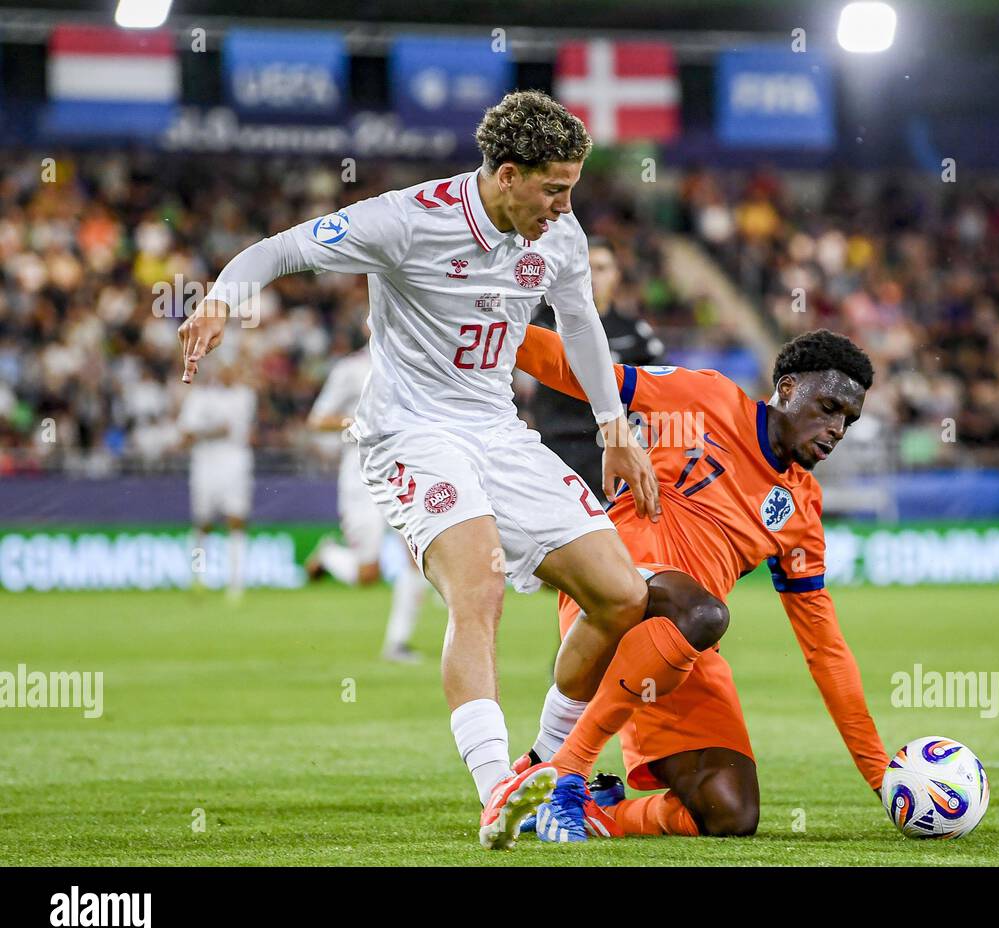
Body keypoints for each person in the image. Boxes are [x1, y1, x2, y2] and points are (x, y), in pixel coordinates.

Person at [177, 90, 662, 850]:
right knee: (480, 585)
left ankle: (542, 761)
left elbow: (579, 321)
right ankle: (496, 785)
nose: (566, 204)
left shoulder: (558, 236)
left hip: (497, 430)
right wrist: (220, 297)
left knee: (621, 594)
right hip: (410, 433)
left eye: (572, 187)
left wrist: (614, 427)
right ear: (506, 174)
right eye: (553, 187)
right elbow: (278, 250)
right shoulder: (405, 219)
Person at [510, 324, 888, 842]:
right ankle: (566, 771)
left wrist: (880, 778)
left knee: (731, 815)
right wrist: (492, 326)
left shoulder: (801, 510)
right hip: (614, 592)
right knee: (704, 613)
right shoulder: (705, 397)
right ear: (787, 388)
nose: (837, 429)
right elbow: (588, 372)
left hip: (679, 644)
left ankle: (602, 813)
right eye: (828, 407)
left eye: (848, 419)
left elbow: (826, 651)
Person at [305, 340, 433, 663]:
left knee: (416, 556)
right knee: (368, 574)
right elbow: (317, 420)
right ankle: (329, 554)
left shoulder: (410, 361)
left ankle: (397, 644)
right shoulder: (350, 369)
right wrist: (356, 424)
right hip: (360, 473)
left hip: (401, 469)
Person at [521, 237, 664, 497]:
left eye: (601, 268)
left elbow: (659, 395)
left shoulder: (636, 333)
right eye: (586, 268)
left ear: (616, 275)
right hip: (552, 444)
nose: (593, 277)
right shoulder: (540, 322)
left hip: (612, 446)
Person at [177, 358, 256, 603]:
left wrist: (204, 430)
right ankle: (198, 579)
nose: (228, 372)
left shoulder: (244, 396)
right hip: (204, 464)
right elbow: (185, 435)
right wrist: (210, 430)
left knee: (236, 520)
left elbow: (233, 429)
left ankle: (235, 583)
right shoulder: (198, 397)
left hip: (234, 462)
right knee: (203, 523)